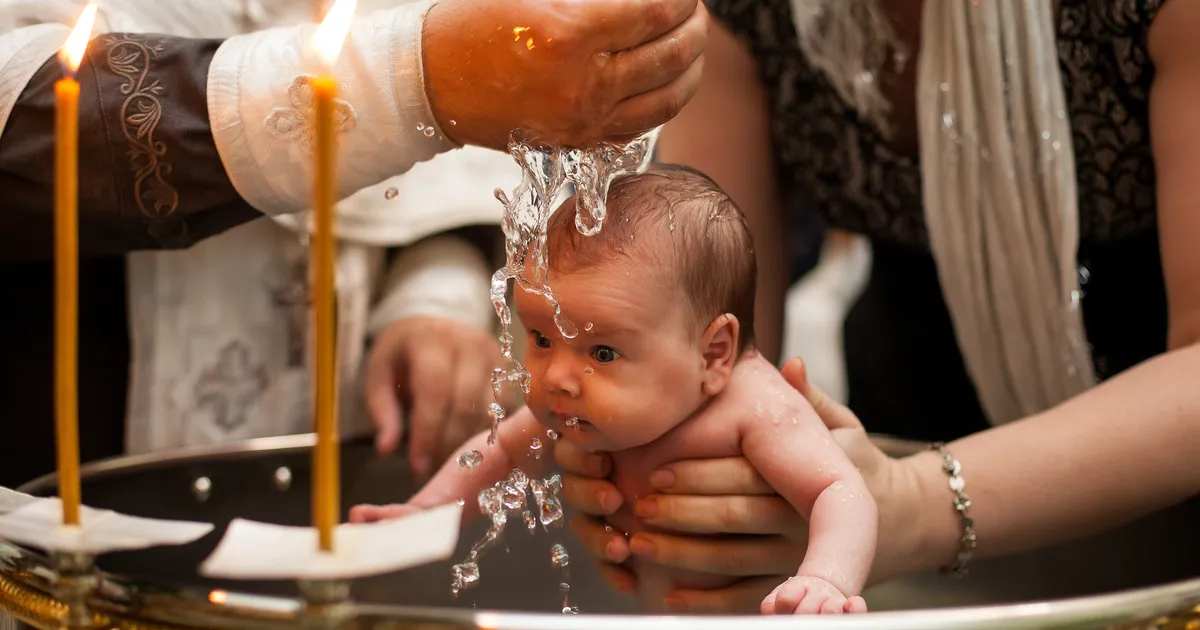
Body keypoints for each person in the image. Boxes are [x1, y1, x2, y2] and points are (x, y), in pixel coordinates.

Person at [554, 0, 1200, 613]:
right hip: (904, 413)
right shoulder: (743, 13)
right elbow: (699, 328)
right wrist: (651, 465)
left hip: (1165, 479)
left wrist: (914, 503)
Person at [0, 0, 710, 487]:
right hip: (54, 440)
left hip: (355, 446)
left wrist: (436, 287)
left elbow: (464, 145)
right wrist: (413, 80)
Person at [351, 166, 877, 616]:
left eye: (602, 353)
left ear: (714, 353)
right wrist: (425, 512)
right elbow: (499, 452)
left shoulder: (754, 407)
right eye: (540, 337)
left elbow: (841, 490)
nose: (557, 376)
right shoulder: (573, 403)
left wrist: (826, 580)